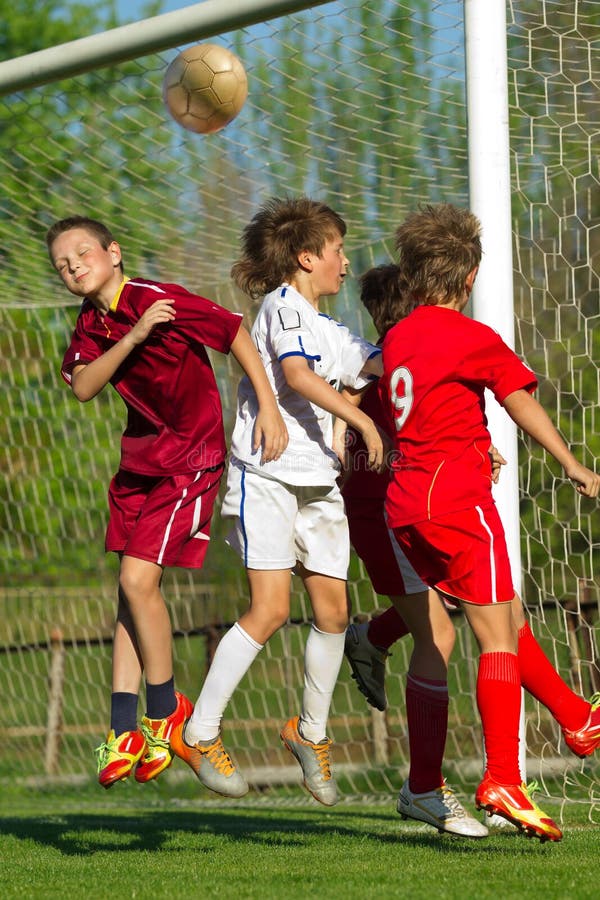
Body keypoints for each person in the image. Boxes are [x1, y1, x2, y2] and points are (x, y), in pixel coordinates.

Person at [340, 263, 600, 838]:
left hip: (407, 504)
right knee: (460, 633)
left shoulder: (392, 355)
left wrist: (477, 446)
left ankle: (577, 719)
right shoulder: (398, 355)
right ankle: (446, 783)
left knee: (497, 613)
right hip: (411, 506)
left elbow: (426, 413)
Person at [47, 215, 288, 789]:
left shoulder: (160, 299)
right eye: (63, 263)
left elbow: (232, 331)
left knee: (137, 583)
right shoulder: (90, 325)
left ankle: (166, 712)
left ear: (115, 250)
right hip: (140, 465)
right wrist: (131, 339)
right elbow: (82, 386)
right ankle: (124, 726)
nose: (74, 265)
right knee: (128, 595)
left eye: (83, 252)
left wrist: (269, 407)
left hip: (190, 457)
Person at [170, 196, 385, 806]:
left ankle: (309, 733)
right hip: (265, 473)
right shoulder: (281, 307)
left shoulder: (330, 329)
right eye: (338, 250)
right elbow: (296, 377)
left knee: (335, 613)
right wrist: (361, 424)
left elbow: (374, 363)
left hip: (318, 479)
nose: (345, 263)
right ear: (306, 256)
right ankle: (200, 731)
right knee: (267, 610)